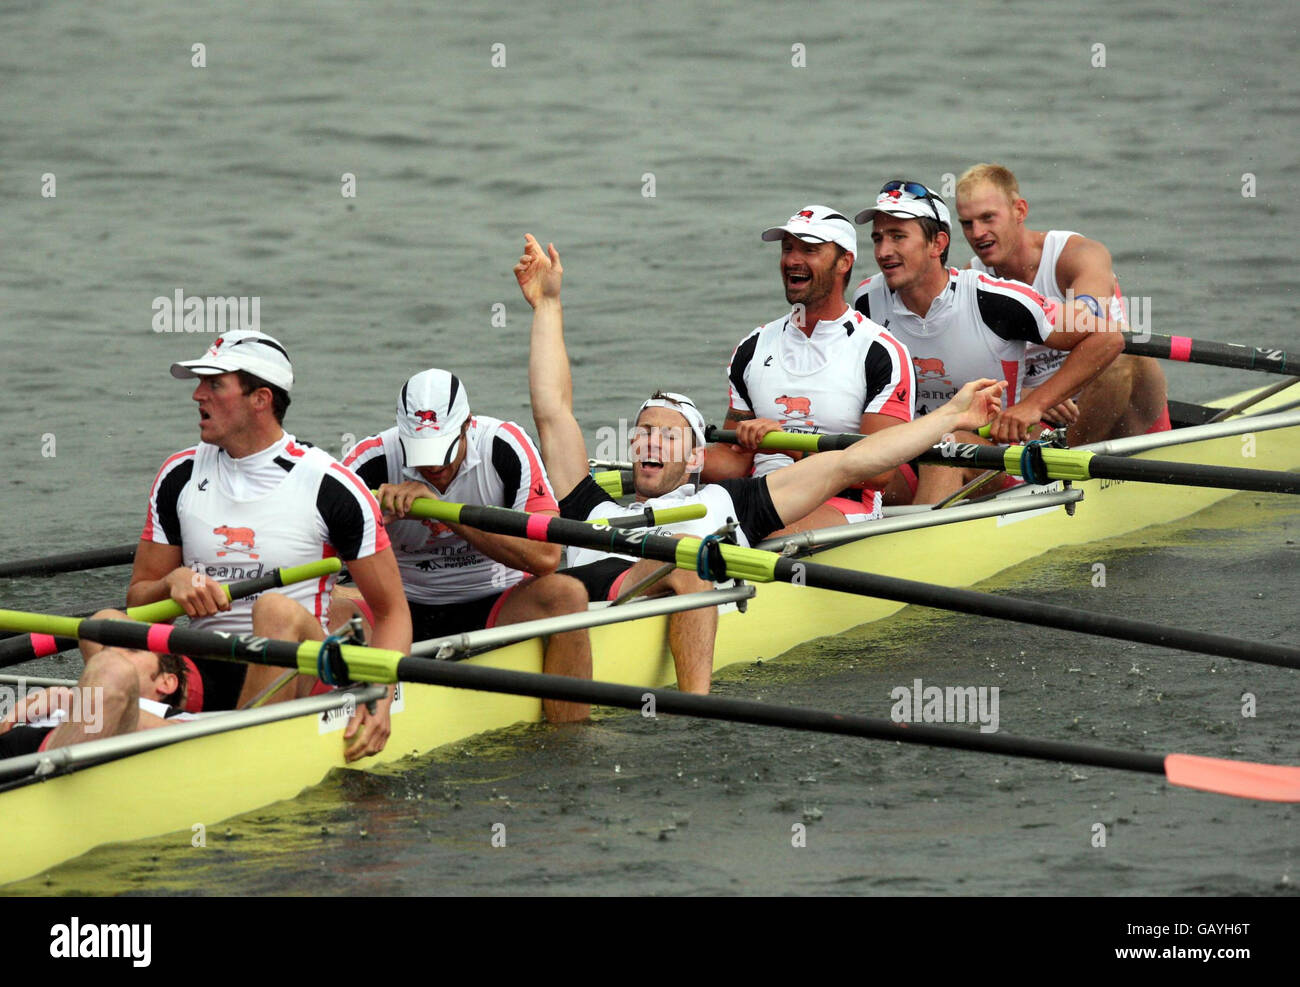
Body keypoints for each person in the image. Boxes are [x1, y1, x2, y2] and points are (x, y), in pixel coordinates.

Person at [517, 233, 1006, 693]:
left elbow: (850, 465)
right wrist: (547, 305)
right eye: (643, 432)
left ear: (695, 458)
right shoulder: (588, 508)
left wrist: (948, 414)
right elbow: (553, 412)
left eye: (668, 436)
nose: (651, 443)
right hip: (578, 602)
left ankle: (695, 709)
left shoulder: (731, 502)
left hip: (649, 591)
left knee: (684, 556)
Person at [128, 330, 411, 762]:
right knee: (108, 624)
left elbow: (392, 610)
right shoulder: (178, 476)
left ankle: (244, 757)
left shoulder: (330, 486)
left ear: (260, 398)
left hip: (303, 670)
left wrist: (380, 699)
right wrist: (172, 582)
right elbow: (136, 604)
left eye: (214, 384)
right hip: (208, 664)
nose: (197, 395)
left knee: (274, 610)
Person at [342, 368, 593, 723]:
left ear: (467, 426)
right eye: (421, 452)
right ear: (401, 436)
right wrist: (371, 526)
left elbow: (547, 556)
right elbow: (310, 558)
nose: (432, 465)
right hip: (400, 609)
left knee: (566, 594)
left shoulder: (504, 445)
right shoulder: (369, 462)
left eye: (442, 451)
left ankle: (570, 741)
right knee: (325, 607)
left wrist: (448, 514)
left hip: (495, 602)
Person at [851, 179, 1125, 503]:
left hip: (998, 458)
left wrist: (1032, 406)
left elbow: (1107, 336)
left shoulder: (995, 299)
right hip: (912, 449)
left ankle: (916, 542)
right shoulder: (868, 299)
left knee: (948, 447)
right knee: (853, 453)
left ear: (937, 244)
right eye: (877, 238)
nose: (883, 252)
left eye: (898, 237)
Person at [703, 205, 915, 525]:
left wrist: (788, 445)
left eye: (809, 250)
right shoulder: (753, 347)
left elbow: (879, 471)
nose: (792, 260)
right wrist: (675, 452)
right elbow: (733, 462)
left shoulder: (880, 351)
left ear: (844, 262)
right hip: (761, 494)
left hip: (842, 499)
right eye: (787, 249)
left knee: (770, 543)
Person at [955, 162, 1169, 441]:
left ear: (1019, 211)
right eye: (967, 224)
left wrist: (1039, 399)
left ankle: (1068, 467)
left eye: (987, 218)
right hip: (1043, 417)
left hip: (1121, 403)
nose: (977, 233)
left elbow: (1089, 325)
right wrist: (1031, 396)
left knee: (1128, 356)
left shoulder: (1078, 255)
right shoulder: (971, 280)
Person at [0, 611, 193, 758]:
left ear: (166, 682)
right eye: (107, 649)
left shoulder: (188, 724)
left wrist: (78, 703)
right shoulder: (57, 706)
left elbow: (193, 745)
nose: (110, 653)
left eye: (131, 649)